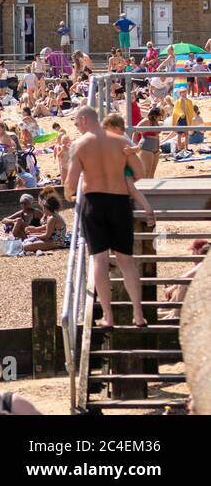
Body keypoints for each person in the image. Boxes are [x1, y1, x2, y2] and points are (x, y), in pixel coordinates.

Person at [64, 107, 157, 329]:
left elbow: (71, 180)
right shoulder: (119, 141)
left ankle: (108, 316)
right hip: (119, 202)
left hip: (94, 202)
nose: (76, 126)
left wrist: (69, 194)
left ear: (85, 120)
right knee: (126, 260)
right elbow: (140, 173)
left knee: (99, 260)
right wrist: (127, 156)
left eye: (76, 122)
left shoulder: (80, 145)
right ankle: (138, 314)